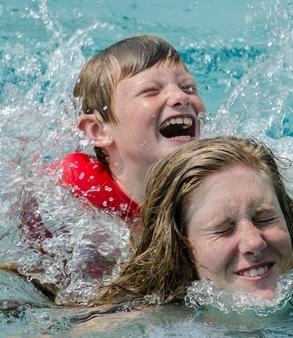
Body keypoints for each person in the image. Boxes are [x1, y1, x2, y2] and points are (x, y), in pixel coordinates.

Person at [89, 137, 293, 309]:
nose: (254, 242)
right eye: (224, 229)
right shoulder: (139, 324)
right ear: (180, 247)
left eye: (265, 218)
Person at [53, 34, 205, 224]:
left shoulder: (214, 188)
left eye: (188, 87)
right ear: (98, 130)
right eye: (151, 90)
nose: (181, 96)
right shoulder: (75, 191)